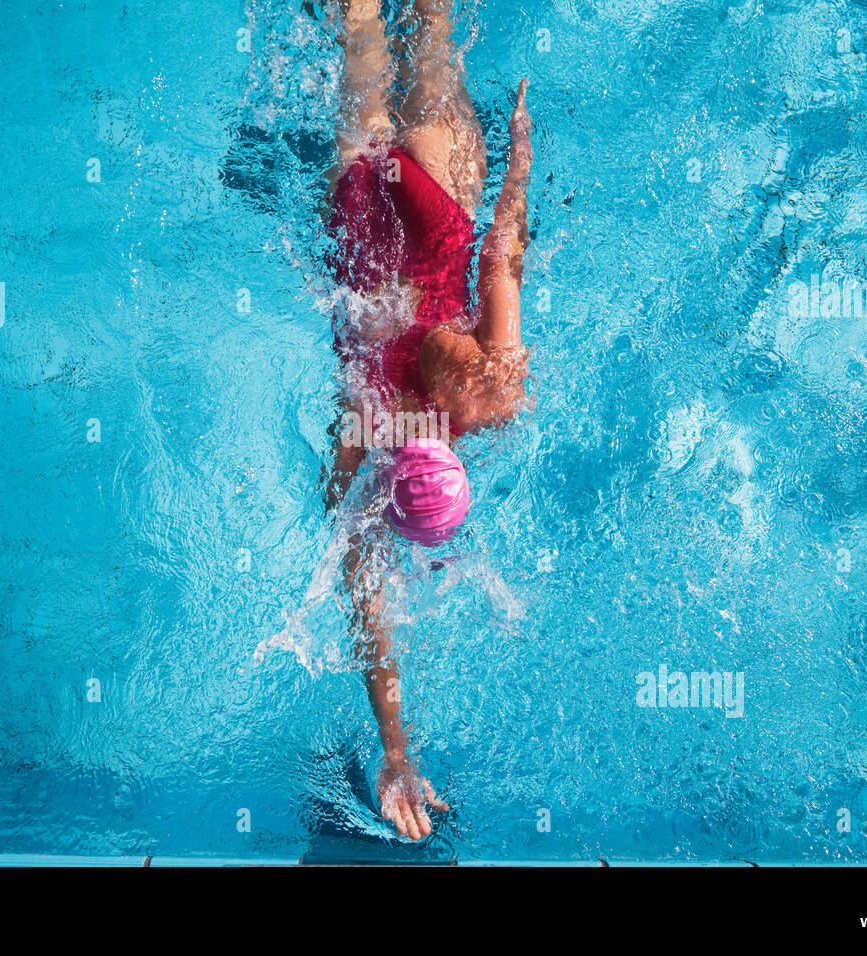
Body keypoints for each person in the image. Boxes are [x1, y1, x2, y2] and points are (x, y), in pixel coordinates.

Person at [322, 0, 533, 842]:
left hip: (437, 214)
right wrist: (395, 749)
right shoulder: (363, 424)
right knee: (358, 43)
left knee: (435, 35)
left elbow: (503, 251)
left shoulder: (486, 394)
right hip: (360, 228)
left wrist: (517, 156)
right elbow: (363, 597)